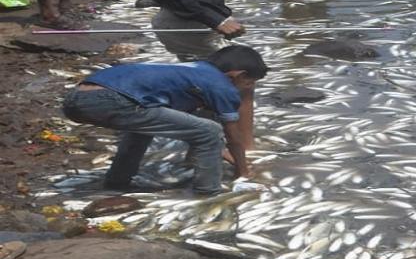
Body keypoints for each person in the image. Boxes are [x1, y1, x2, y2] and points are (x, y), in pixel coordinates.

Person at [62, 46, 266, 196]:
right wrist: (242, 171)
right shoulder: (222, 85)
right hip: (113, 100)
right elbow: (232, 136)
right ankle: (208, 193)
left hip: (76, 98)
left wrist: (219, 153)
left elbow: (184, 123)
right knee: (210, 130)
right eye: (248, 83)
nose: (246, 89)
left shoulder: (193, 70)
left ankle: (117, 182)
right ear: (238, 75)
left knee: (142, 128)